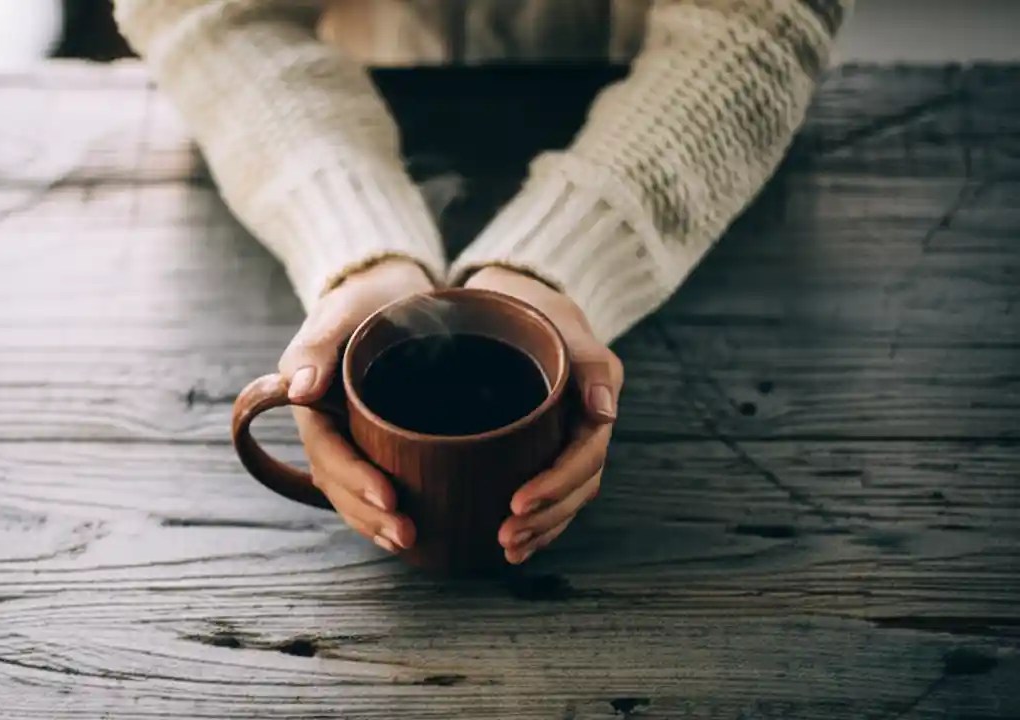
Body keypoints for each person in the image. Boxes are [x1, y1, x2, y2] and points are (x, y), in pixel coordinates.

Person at [113, 0, 849, 564]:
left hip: (673, 125)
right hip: (317, 119)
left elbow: (763, 17)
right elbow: (203, 11)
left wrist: (573, 250)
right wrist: (356, 239)